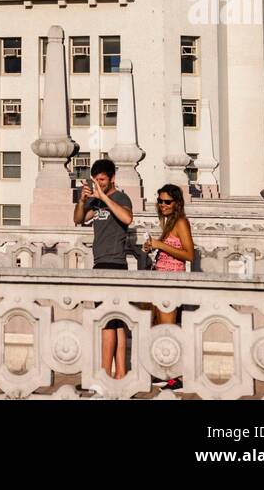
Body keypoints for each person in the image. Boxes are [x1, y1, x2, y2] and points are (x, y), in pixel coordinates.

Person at [73, 158, 134, 379]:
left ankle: (104, 376)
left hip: (115, 263)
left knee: (108, 322)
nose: (99, 184)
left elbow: (127, 218)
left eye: (102, 180)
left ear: (112, 179)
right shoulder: (96, 201)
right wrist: (83, 201)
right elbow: (78, 219)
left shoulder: (120, 197)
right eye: (96, 180)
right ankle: (120, 374)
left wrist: (104, 198)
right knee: (115, 324)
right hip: (100, 262)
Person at [143, 184, 195, 391]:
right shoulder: (168, 223)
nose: (162, 205)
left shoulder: (181, 222)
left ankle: (178, 376)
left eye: (167, 202)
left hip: (173, 281)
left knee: (170, 330)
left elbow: (189, 255)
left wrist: (160, 245)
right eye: (160, 201)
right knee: (160, 328)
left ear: (176, 203)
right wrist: (153, 246)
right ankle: (165, 372)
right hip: (161, 279)